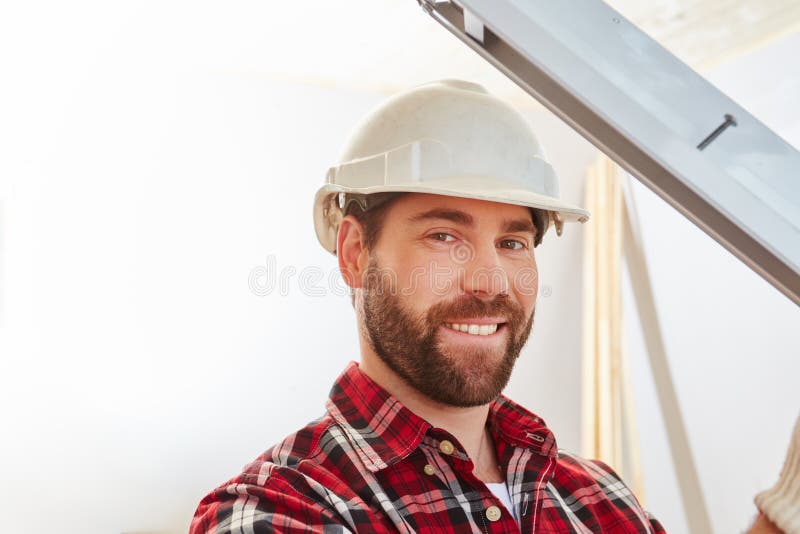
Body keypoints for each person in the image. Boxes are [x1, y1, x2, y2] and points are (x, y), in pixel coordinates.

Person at [190, 80, 797, 533]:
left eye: (513, 241)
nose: (488, 281)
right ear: (354, 252)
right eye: (444, 236)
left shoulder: (599, 499)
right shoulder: (276, 510)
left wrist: (786, 507)